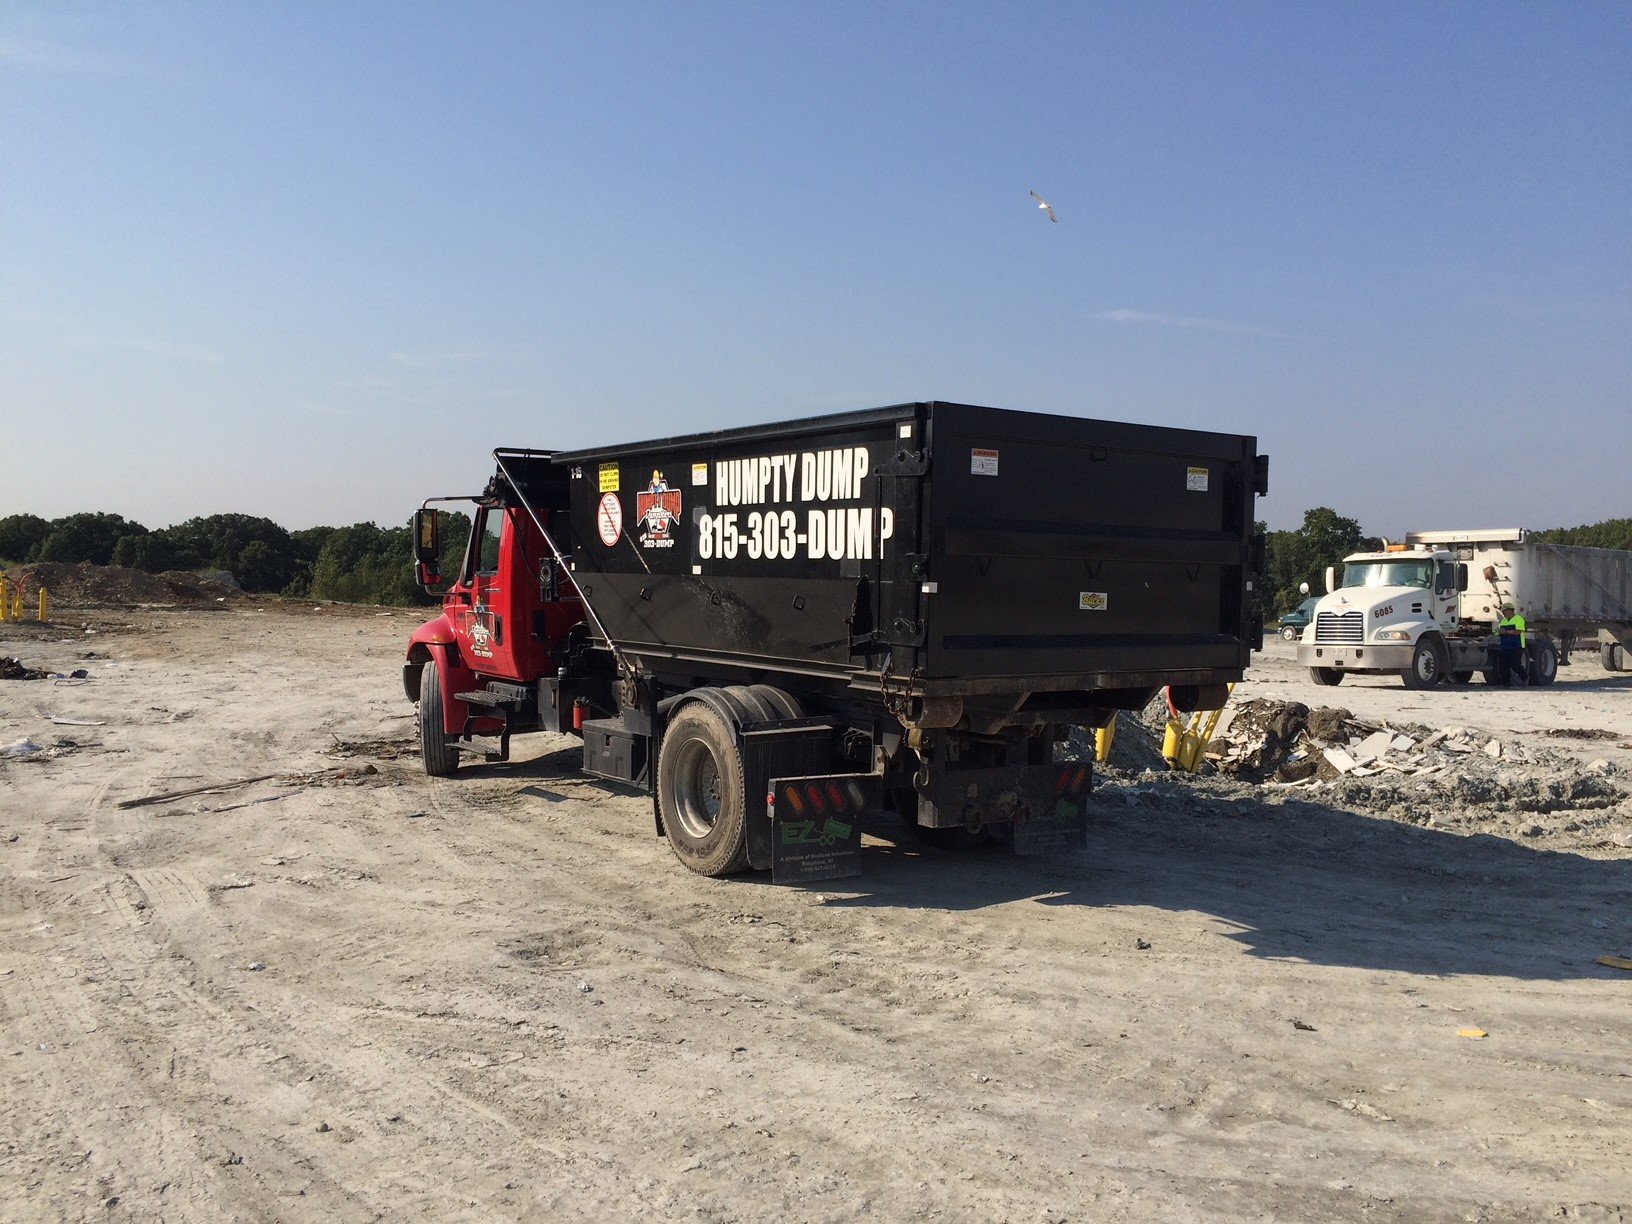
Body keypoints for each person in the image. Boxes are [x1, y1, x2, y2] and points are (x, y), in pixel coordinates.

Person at [1494, 602, 1527, 686]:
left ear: (1510, 610)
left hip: (1516, 646)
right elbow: (1499, 631)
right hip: (1505, 646)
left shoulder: (1519, 619)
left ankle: (1525, 679)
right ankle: (1506, 684)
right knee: (1503, 666)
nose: (1503, 614)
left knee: (1515, 665)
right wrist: (1497, 632)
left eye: (1504, 612)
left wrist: (1506, 632)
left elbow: (1519, 631)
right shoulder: (1504, 621)